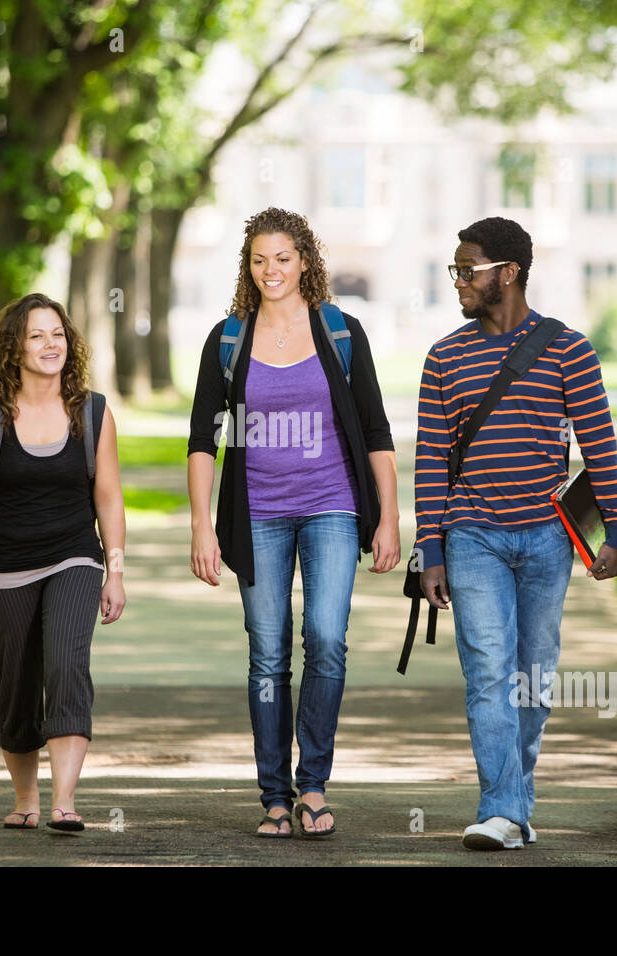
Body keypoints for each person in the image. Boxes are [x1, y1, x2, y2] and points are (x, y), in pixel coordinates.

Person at [415, 216, 617, 850]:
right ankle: (500, 808)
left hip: (545, 539)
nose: (458, 280)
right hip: (473, 535)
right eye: (455, 270)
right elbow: (432, 458)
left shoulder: (569, 349)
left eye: (468, 270)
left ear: (507, 273)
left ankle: (516, 802)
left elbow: (599, 447)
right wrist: (432, 548)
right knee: (488, 672)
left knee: (532, 682)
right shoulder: (444, 357)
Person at [187, 207, 399, 838]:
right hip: (258, 514)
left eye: (283, 257)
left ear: (305, 260)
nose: (271, 270)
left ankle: (314, 784)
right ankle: (275, 796)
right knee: (268, 652)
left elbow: (378, 431)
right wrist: (202, 525)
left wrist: (389, 518)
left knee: (327, 639)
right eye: (259, 259)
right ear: (246, 266)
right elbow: (204, 439)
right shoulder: (229, 338)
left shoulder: (341, 331)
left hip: (332, 504)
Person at [0, 293, 126, 833]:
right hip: (6, 567)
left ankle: (64, 802)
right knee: (17, 682)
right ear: (14, 347)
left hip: (75, 557)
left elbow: (109, 497)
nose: (51, 345)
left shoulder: (94, 411)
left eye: (58, 335)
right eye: (36, 335)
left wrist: (114, 570)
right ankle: (26, 798)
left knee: (66, 662)